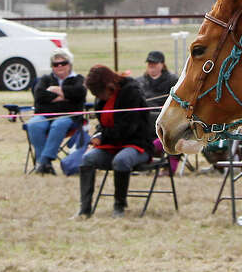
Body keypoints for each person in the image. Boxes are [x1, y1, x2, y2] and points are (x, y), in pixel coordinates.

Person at [76, 65, 155, 218]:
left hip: (137, 144)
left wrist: (103, 136)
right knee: (87, 159)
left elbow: (127, 129)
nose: (98, 96)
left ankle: (119, 206)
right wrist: (97, 134)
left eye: (99, 92)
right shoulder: (101, 99)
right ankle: (84, 209)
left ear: (109, 85)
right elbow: (102, 124)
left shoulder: (132, 93)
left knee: (121, 160)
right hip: (111, 145)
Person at [25, 49, 87, 175]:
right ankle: (45, 164)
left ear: (69, 64)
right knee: (33, 124)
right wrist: (66, 96)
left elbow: (79, 94)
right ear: (52, 67)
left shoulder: (78, 79)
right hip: (45, 115)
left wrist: (56, 90)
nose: (60, 66)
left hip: (70, 117)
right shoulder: (45, 79)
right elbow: (40, 96)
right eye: (55, 64)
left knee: (59, 124)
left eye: (63, 63)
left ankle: (44, 161)